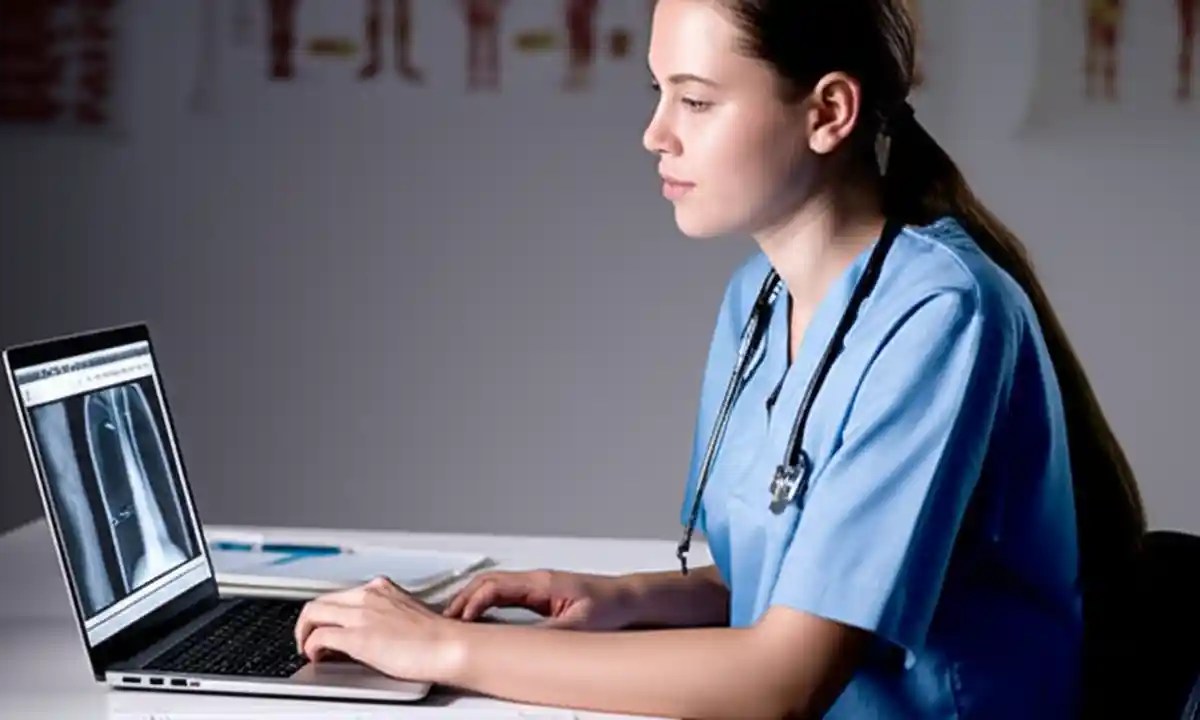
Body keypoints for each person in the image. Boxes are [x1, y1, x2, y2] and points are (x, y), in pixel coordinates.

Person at [292, 1, 1146, 717]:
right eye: (658, 92)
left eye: (695, 101)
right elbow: (795, 582)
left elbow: (787, 676)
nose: (654, 134)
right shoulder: (758, 297)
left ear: (828, 113)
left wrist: (442, 645)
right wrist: (624, 598)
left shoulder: (941, 314)